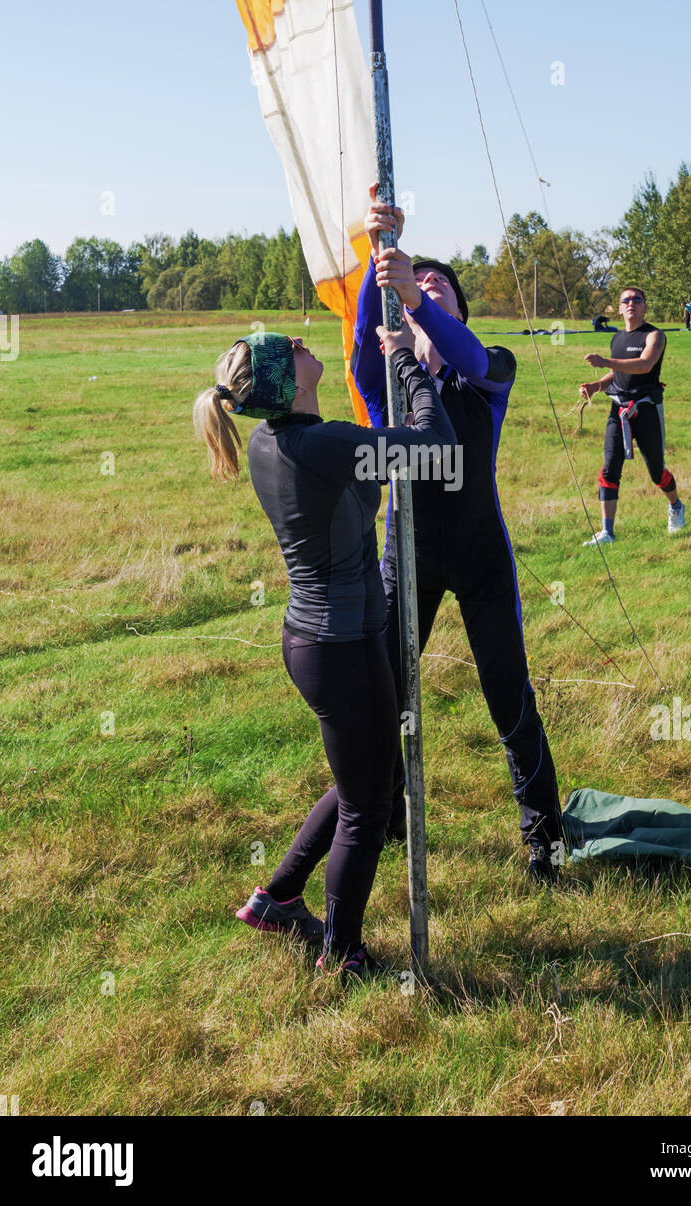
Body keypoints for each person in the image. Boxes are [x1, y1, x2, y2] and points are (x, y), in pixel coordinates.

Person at [193, 297, 455, 979]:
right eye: (292, 347)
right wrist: (409, 365)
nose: (305, 344)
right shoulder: (321, 444)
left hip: (330, 639)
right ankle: (342, 954)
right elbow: (436, 450)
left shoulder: (272, 439)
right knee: (367, 806)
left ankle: (277, 896)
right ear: (287, 381)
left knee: (368, 777)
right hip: (338, 647)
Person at [351, 187, 565, 885]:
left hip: (481, 559)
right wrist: (377, 256)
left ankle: (544, 840)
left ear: (456, 313)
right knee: (385, 694)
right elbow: (361, 349)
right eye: (419, 276)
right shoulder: (387, 387)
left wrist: (415, 298)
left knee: (509, 697)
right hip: (406, 556)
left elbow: (468, 359)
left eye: (441, 282)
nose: (429, 280)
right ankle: (385, 816)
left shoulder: (489, 371)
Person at [580, 285, 685, 545]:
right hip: (618, 410)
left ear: (645, 307)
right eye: (626, 300)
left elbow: (645, 364)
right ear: (619, 308)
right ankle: (607, 533)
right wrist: (595, 386)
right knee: (609, 468)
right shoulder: (617, 339)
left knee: (657, 472)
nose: (631, 303)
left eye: (637, 300)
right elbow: (616, 374)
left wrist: (606, 361)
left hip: (646, 409)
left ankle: (675, 506)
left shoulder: (655, 335)